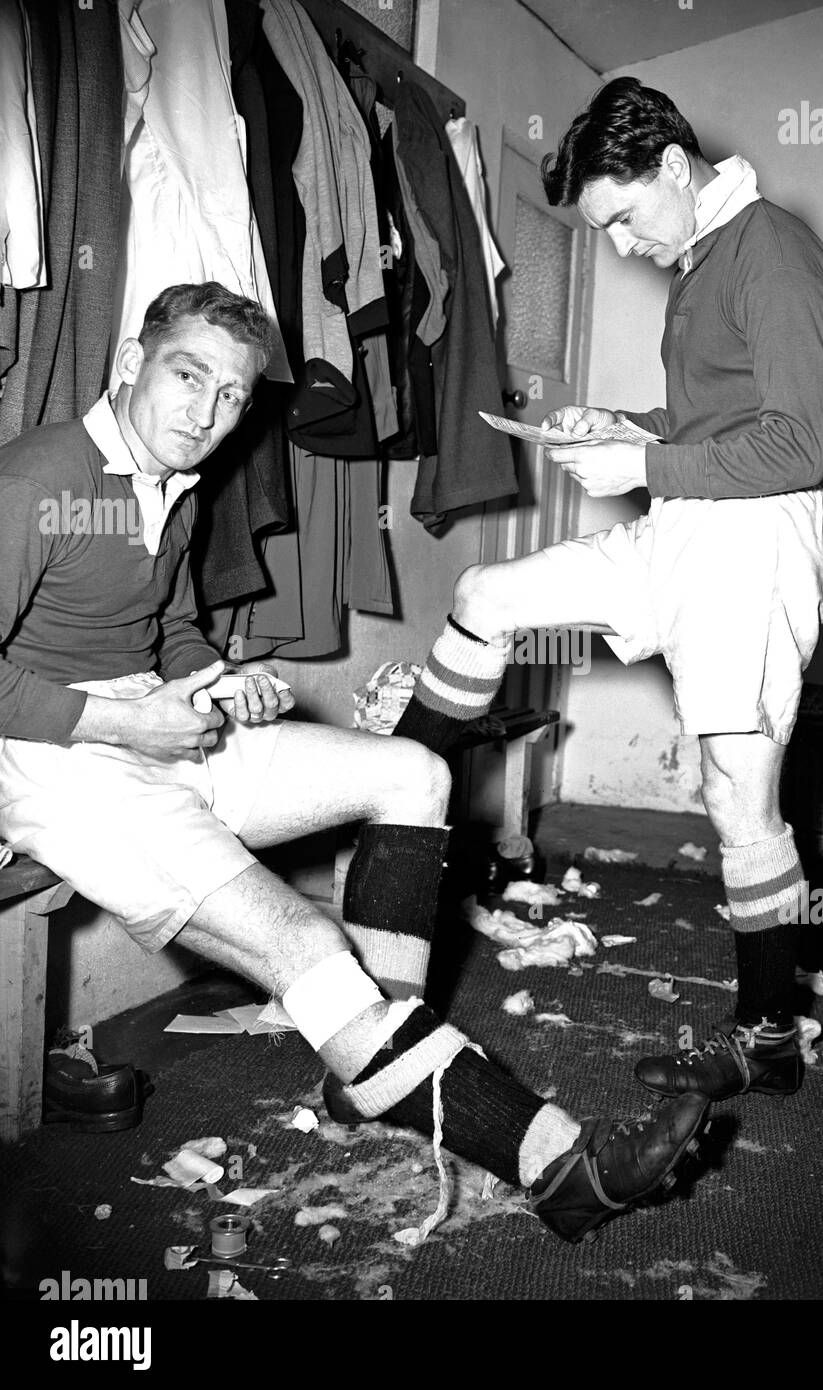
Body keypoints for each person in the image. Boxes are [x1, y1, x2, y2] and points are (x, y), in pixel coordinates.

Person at [0, 281, 710, 1245]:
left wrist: (214, 677)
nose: (206, 414)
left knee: (414, 774)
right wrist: (129, 727)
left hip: (158, 724)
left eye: (232, 396)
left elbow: (163, 625)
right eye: (187, 375)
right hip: (57, 758)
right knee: (309, 949)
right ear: (132, 363)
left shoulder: (174, 479)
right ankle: (559, 1166)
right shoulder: (39, 480)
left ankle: (372, 1064)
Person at [392, 78, 823, 1105]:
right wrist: (631, 427)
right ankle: (400, 817)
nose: (625, 247)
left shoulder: (770, 250)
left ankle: (767, 1034)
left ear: (674, 171)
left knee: (740, 796)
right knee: (486, 593)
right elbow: (726, 422)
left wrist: (646, 466)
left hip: (757, 542)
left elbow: (796, 445)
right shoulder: (707, 250)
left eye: (625, 218)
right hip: (693, 522)